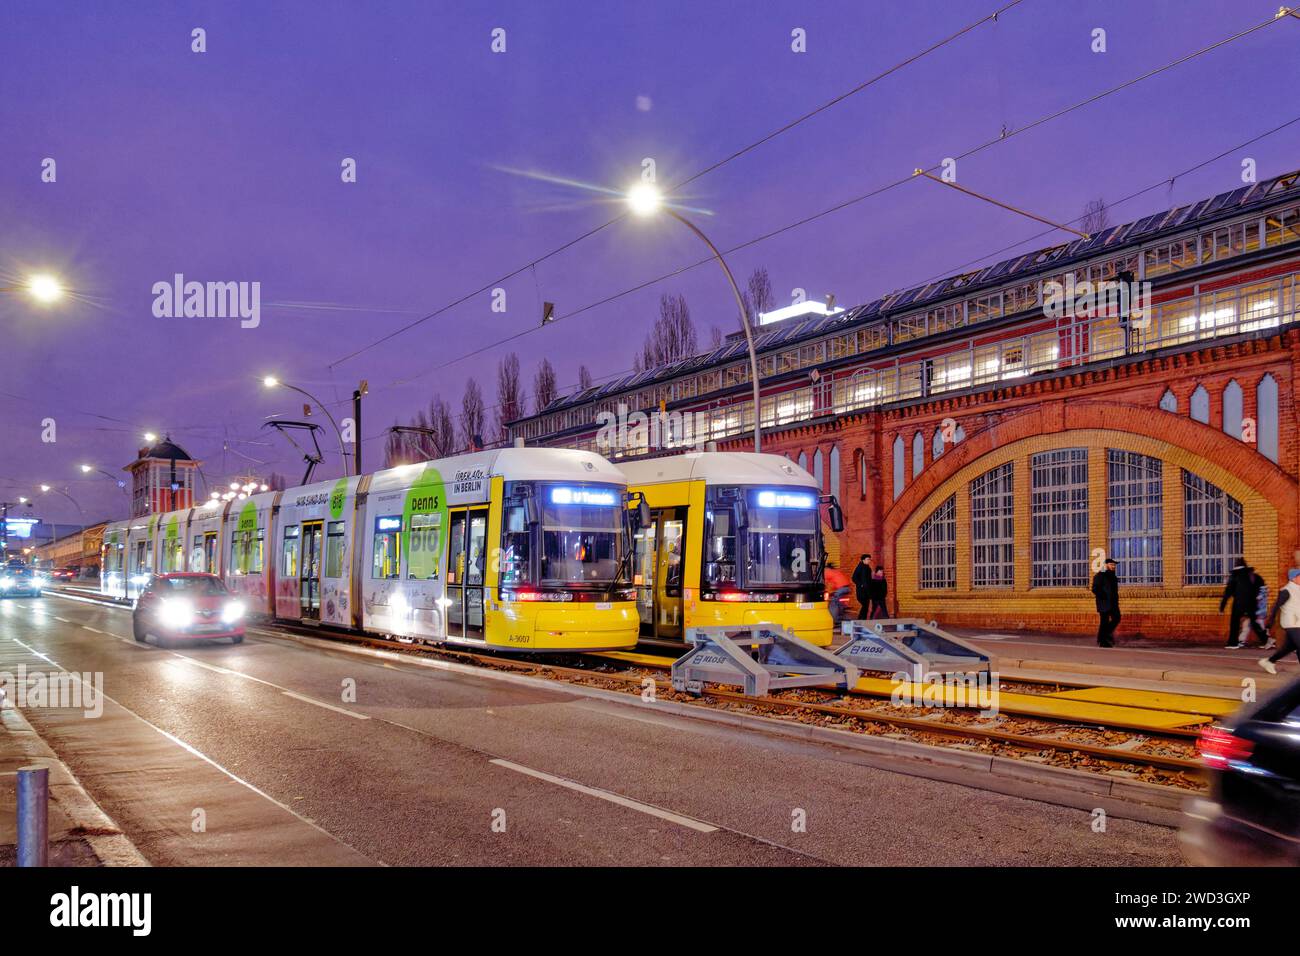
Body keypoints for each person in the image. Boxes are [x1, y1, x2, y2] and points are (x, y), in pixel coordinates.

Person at [1260, 567, 1300, 674]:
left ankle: (1269, 661)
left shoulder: (1298, 588)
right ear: (1293, 578)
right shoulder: (1286, 590)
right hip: (1290, 622)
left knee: (1289, 647)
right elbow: (1276, 606)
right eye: (1299, 576)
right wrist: (1270, 621)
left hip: (1298, 622)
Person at [1220, 558, 1267, 649]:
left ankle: (1233, 643)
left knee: (1234, 623)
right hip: (1251, 604)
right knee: (1254, 623)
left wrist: (1222, 606)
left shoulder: (1235, 576)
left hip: (1238, 604)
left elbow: (1228, 592)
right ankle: (1265, 640)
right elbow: (1261, 585)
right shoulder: (1253, 575)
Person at [1091, 556, 1120, 647]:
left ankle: (1104, 635)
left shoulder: (1113, 576)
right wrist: (1103, 596)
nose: (1113, 566)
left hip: (1113, 602)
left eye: (1114, 565)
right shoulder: (1100, 575)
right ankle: (1103, 642)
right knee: (1104, 622)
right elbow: (1095, 589)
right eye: (1111, 565)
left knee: (1117, 618)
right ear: (1106, 565)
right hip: (1104, 603)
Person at [824, 561, 852, 626]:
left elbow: (824, 583)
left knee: (833, 603)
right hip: (847, 588)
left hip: (841, 589)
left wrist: (826, 591)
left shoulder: (827, 571)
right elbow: (835, 583)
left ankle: (835, 620)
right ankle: (842, 614)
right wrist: (832, 592)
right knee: (840, 603)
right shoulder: (836, 571)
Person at [851, 553, 873, 621]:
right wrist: (860, 584)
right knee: (865, 605)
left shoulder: (867, 568)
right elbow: (854, 577)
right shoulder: (860, 567)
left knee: (866, 606)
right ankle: (861, 619)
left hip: (867, 590)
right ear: (863, 560)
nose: (869, 561)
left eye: (869, 559)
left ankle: (862, 619)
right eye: (867, 559)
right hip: (861, 591)